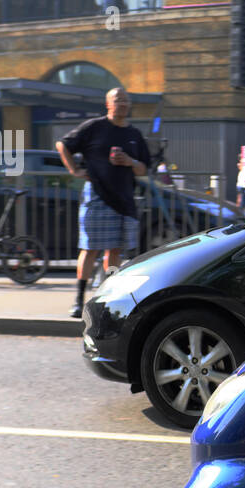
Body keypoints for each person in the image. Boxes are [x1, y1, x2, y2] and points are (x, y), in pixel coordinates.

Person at [57, 87, 151, 318]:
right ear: (108, 104)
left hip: (124, 199)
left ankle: (106, 300)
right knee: (90, 249)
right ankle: (79, 299)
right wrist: (75, 170)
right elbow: (63, 145)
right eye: (118, 100)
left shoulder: (134, 134)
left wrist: (129, 161)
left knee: (115, 250)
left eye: (126, 101)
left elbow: (143, 169)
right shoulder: (94, 127)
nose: (122, 104)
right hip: (97, 196)